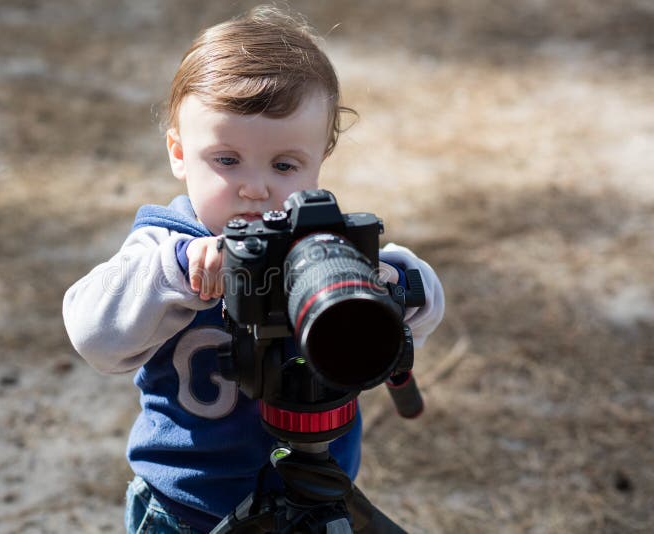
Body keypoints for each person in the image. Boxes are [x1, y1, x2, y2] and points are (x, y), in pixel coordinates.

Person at [63, 5, 445, 533]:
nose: (256, 187)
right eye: (226, 160)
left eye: (285, 165)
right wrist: (178, 273)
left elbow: (425, 309)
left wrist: (389, 283)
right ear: (178, 152)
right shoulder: (168, 243)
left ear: (320, 159)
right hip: (187, 510)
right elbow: (92, 334)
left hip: (314, 497)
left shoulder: (322, 245)